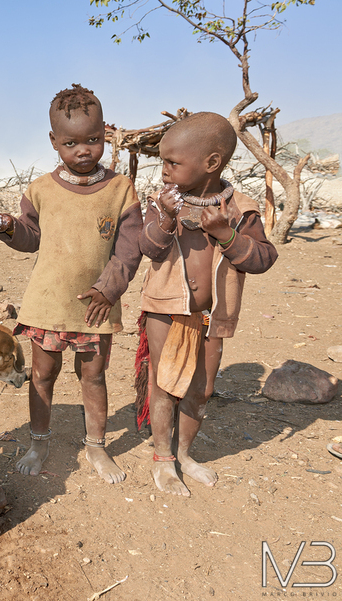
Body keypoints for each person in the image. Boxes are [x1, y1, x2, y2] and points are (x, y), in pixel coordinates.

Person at [0, 84, 142, 484]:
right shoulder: (41, 189)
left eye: (92, 139)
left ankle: (96, 446)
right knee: (43, 375)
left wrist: (108, 289)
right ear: (54, 141)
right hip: (48, 304)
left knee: (94, 376)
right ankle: (39, 443)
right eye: (71, 142)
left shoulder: (121, 189)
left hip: (96, 306)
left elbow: (129, 250)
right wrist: (9, 228)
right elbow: (30, 237)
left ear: (105, 132)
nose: (83, 150)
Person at [139, 111, 278, 497]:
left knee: (200, 388)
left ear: (211, 163)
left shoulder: (242, 209)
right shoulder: (162, 203)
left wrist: (226, 235)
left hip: (212, 316)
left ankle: (184, 453)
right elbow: (147, 247)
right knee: (164, 383)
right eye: (163, 161)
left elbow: (263, 259)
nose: (164, 170)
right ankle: (162, 459)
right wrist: (166, 219)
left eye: (173, 162)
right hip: (165, 308)